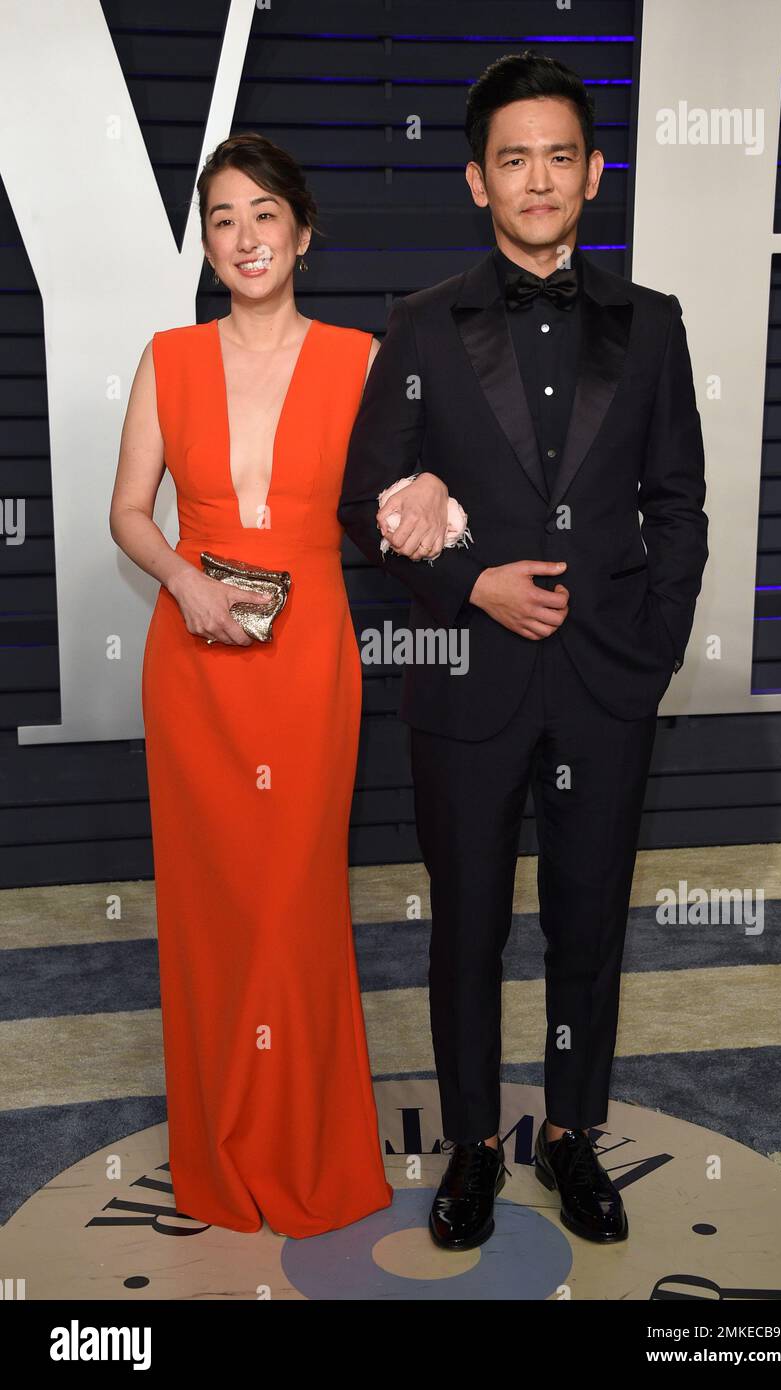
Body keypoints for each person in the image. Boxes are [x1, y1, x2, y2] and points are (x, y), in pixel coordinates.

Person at [338, 52, 708, 1251]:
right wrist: (471, 582)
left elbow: (681, 505)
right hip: (467, 681)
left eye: (559, 155)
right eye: (513, 158)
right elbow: (367, 502)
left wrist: (651, 652)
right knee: (468, 931)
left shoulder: (653, 327)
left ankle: (570, 1139)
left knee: (589, 925)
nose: (537, 178)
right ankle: (472, 1150)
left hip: (607, 683)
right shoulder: (419, 325)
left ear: (594, 174)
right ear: (475, 179)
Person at [109, 132, 437, 1236]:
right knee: (212, 913)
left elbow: (402, 487)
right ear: (206, 246)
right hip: (192, 663)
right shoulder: (169, 356)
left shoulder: (359, 356)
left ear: (301, 233)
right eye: (221, 221)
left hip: (306, 666)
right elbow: (126, 512)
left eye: (262, 216)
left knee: (294, 906)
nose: (243, 238)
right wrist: (183, 581)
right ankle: (218, 1145)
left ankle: (303, 1143)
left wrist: (435, 488)